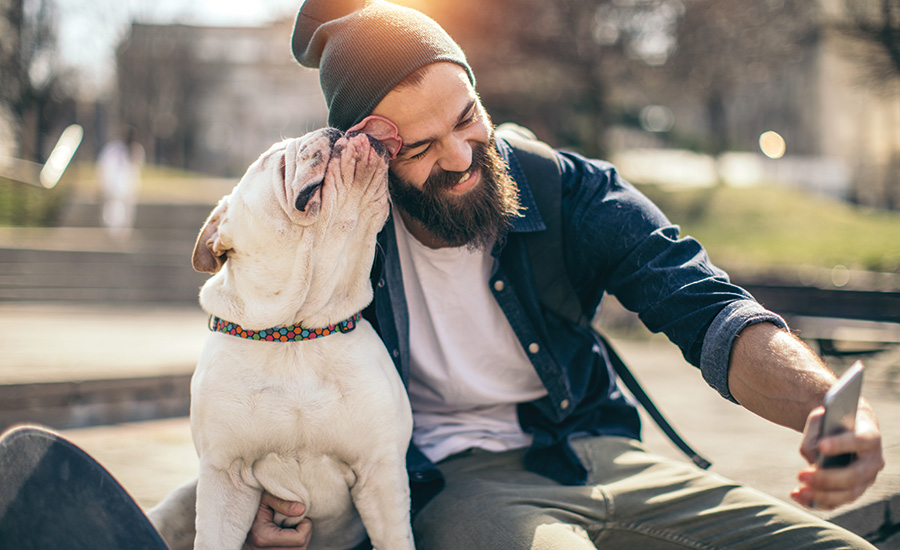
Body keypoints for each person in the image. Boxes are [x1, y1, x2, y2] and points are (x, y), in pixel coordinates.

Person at [0, 1, 884, 549]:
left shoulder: (559, 184)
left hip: (596, 450)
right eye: (419, 149)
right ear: (366, 159)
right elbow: (262, 382)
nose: (463, 157)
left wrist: (820, 410)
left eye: (469, 119)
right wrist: (270, 512)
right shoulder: (336, 242)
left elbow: (701, 302)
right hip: (456, 488)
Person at [97, 127, 144, 241]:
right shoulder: (113, 149)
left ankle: (123, 236)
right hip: (113, 187)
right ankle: (111, 236)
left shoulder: (136, 149)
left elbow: (136, 168)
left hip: (128, 188)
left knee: (126, 214)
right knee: (112, 213)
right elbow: (105, 166)